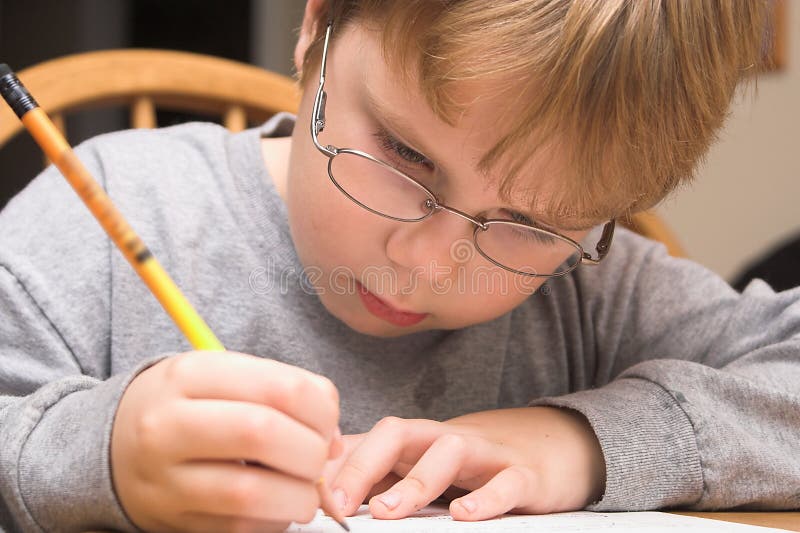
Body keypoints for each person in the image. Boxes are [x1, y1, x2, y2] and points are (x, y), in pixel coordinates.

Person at [1, 0, 797, 531]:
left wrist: (581, 443)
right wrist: (99, 456)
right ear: (318, 26)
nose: (428, 265)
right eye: (404, 154)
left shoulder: (593, 294)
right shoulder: (105, 213)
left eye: (527, 225)